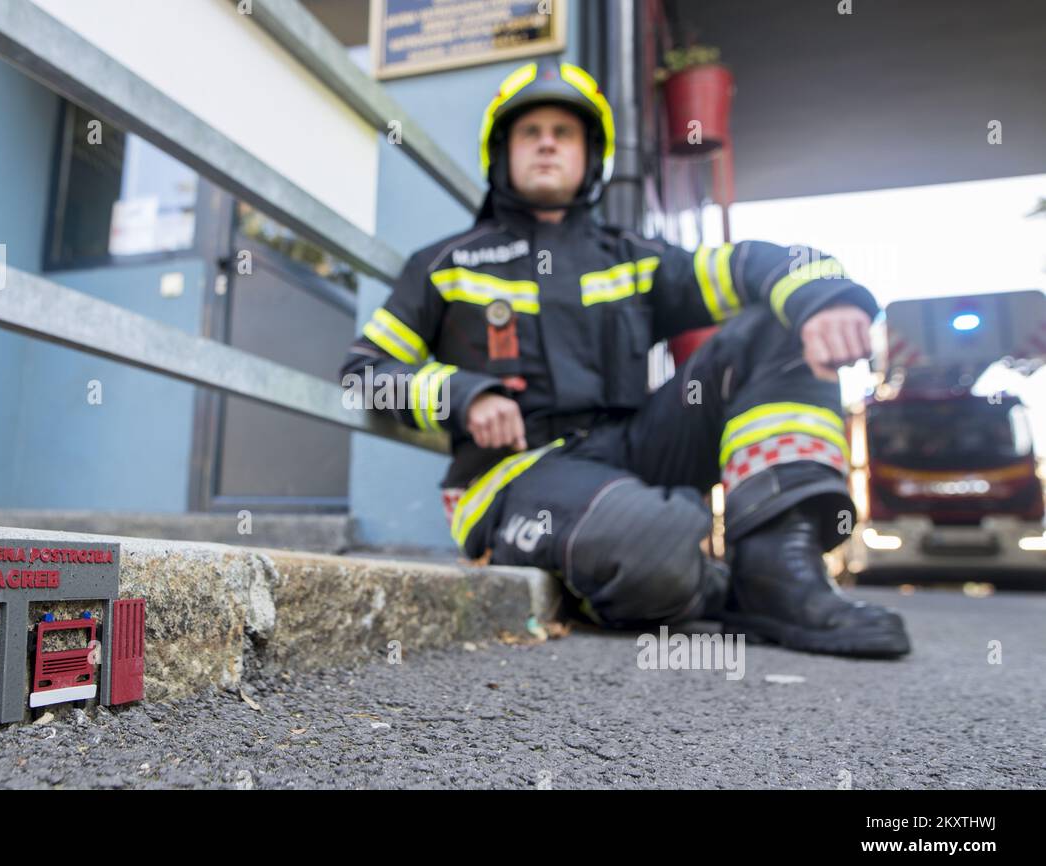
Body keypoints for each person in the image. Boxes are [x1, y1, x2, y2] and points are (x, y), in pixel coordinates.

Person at [339, 59, 910, 657]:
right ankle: (697, 575)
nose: (547, 145)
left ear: (593, 155)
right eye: (530, 133)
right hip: (515, 475)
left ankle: (778, 571)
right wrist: (462, 394)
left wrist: (823, 299)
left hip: (634, 453)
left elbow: (744, 266)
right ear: (501, 152)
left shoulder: (632, 258)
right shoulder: (445, 264)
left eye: (565, 133)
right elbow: (364, 377)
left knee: (779, 326)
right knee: (652, 548)